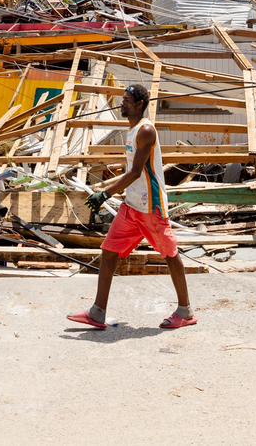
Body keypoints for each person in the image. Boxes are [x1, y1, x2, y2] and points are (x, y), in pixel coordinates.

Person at [66, 83, 195, 330]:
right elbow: (132, 171)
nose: (122, 103)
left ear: (139, 105)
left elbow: (136, 172)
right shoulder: (132, 130)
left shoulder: (145, 130)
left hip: (151, 208)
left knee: (170, 254)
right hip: (132, 206)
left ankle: (185, 311)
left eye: (126, 100)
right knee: (109, 251)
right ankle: (97, 312)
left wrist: (105, 194)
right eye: (122, 99)